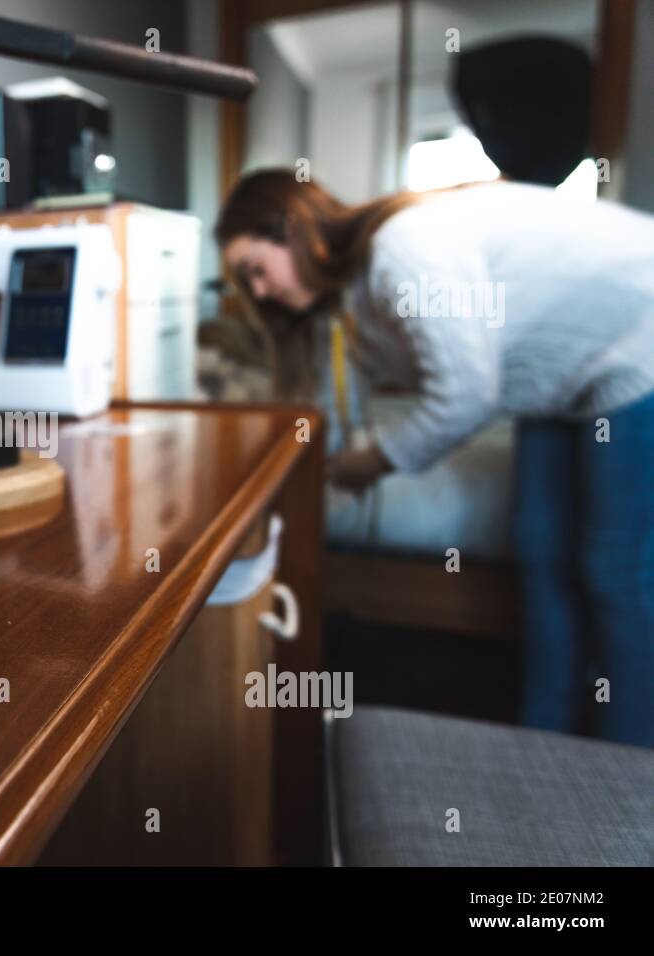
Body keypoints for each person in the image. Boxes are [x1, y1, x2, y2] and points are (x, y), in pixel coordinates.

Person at [217, 168, 654, 747]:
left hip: (638, 337)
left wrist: (374, 461)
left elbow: (467, 393)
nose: (261, 292)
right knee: (540, 550)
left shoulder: (402, 251)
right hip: (556, 379)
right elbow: (329, 402)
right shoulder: (351, 306)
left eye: (256, 271)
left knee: (612, 566)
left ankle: (630, 765)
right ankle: (546, 743)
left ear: (290, 229)